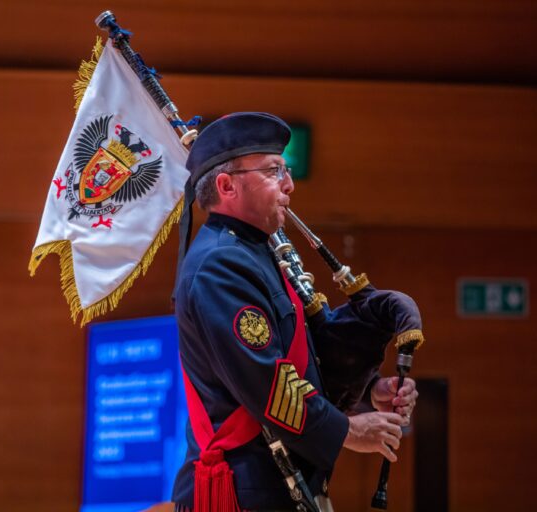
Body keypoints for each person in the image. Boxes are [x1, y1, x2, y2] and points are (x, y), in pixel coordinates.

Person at [172, 112, 419, 511]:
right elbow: (267, 380)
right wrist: (348, 431)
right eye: (274, 171)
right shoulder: (219, 265)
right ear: (226, 185)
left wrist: (368, 391)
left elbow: (301, 357)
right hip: (243, 489)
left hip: (270, 481)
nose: (289, 185)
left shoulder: (254, 252)